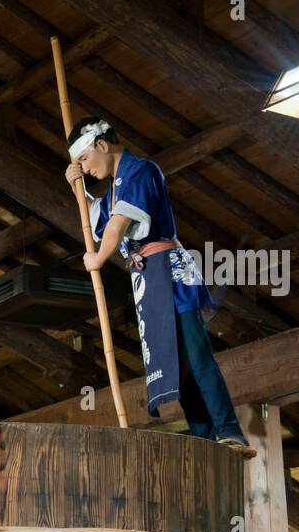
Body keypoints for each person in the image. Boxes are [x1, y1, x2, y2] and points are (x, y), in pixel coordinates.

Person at [64, 116, 252, 457]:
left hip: (170, 274)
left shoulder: (141, 171)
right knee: (176, 366)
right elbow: (98, 218)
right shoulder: (116, 187)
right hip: (149, 283)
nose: (86, 168)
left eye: (84, 160)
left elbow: (117, 226)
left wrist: (99, 259)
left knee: (197, 355)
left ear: (102, 145)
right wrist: (78, 186)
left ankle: (229, 431)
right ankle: (204, 438)